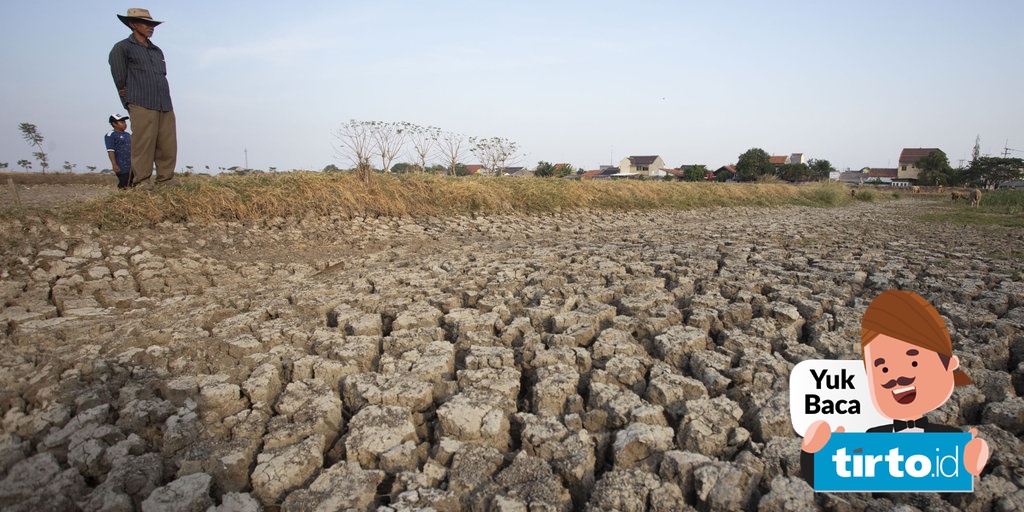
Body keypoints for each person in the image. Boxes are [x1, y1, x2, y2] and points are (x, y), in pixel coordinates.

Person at [800, 290, 990, 486]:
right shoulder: (874, 435)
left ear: (949, 364)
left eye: (914, 362)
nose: (898, 378)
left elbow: (964, 470)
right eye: (883, 368)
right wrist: (816, 453)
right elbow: (835, 470)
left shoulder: (950, 439)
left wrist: (970, 461)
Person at [108, 8, 176, 188]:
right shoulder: (122, 48)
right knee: (143, 143)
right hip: (141, 101)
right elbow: (120, 79)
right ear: (132, 24)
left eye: (152, 24)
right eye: (146, 24)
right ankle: (142, 180)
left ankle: (165, 179)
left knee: (167, 143)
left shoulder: (156, 51)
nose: (150, 27)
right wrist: (129, 102)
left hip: (164, 102)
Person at [105, 114, 132, 189]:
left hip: (131, 164)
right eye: (122, 122)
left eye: (125, 122)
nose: (125, 124)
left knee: (132, 183)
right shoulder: (111, 135)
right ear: (114, 124)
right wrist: (114, 164)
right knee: (124, 183)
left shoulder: (127, 135)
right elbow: (110, 151)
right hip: (121, 165)